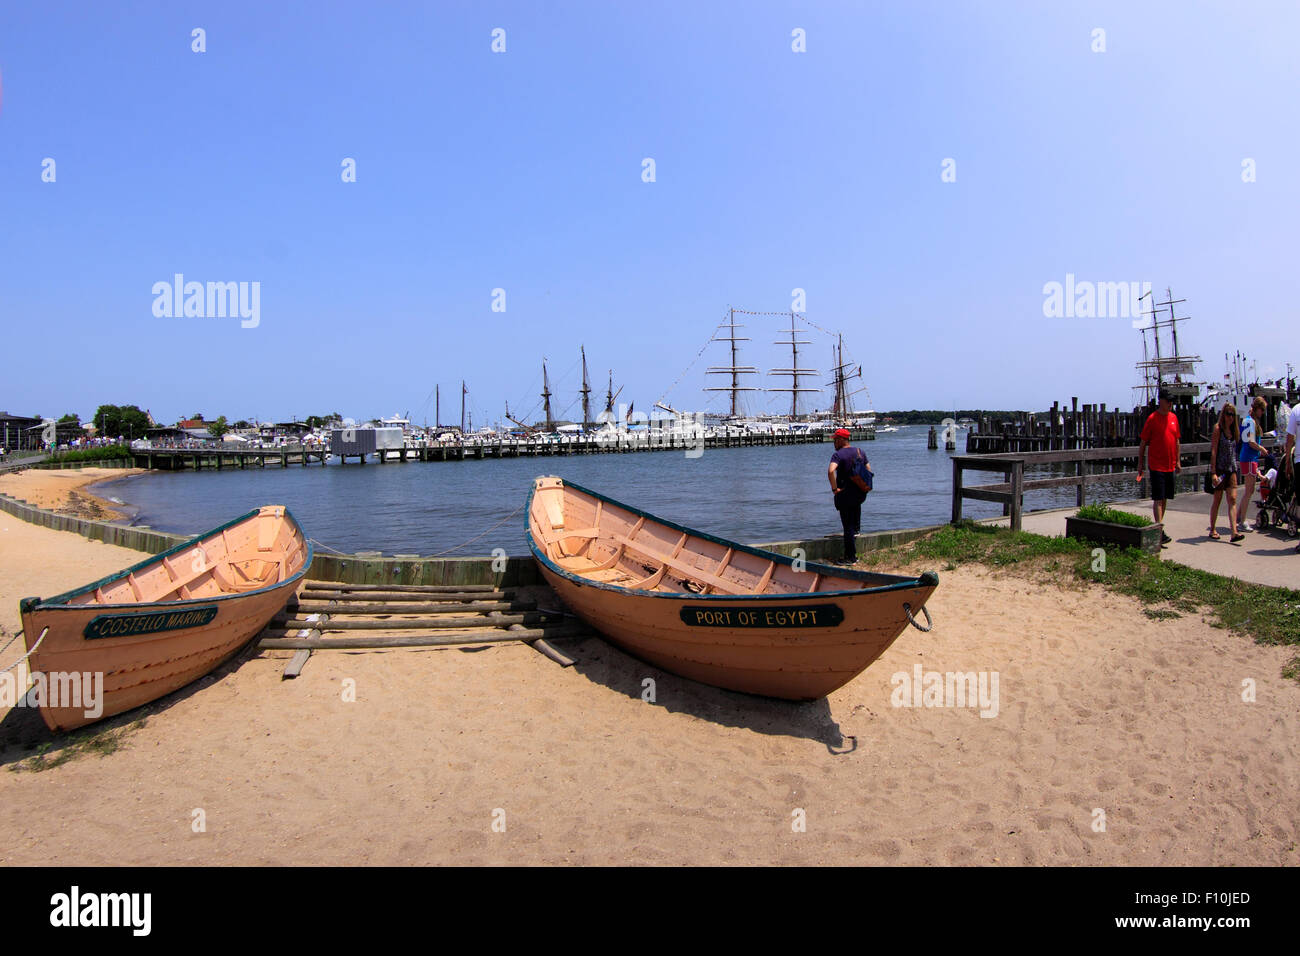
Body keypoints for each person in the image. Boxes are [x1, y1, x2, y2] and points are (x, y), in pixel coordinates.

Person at [1136, 388, 1180, 545]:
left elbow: (1176, 441)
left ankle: (1159, 527)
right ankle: (1159, 530)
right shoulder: (1152, 419)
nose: (1170, 404)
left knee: (1165, 498)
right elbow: (1143, 442)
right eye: (1168, 401)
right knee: (1158, 499)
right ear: (1161, 401)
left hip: (1170, 465)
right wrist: (1140, 464)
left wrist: (1178, 461)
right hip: (1156, 465)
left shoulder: (1174, 418)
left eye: (1172, 401)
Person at [828, 427, 871, 564]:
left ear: (841, 440)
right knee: (855, 514)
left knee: (847, 527)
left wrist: (835, 489)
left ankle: (850, 558)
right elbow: (869, 470)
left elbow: (830, 471)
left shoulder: (838, 455)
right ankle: (857, 531)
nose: (834, 443)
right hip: (860, 493)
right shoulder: (860, 452)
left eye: (835, 440)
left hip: (845, 494)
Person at [1207, 403, 1242, 542]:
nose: (1230, 417)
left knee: (1232, 499)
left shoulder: (1234, 430)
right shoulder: (1218, 429)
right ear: (1223, 414)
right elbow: (1214, 450)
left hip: (1231, 469)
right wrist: (1213, 472)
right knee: (1217, 499)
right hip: (1220, 469)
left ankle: (1234, 532)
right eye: (1228, 414)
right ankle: (1212, 529)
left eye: (1233, 414)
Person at [1236, 396, 1267, 531]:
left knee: (1249, 490)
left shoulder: (1248, 420)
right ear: (1258, 409)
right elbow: (1250, 441)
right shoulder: (1249, 422)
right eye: (1262, 410)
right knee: (1249, 491)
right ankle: (1242, 521)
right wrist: (1261, 449)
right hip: (1249, 458)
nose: (1263, 413)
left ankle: (1238, 516)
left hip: (1249, 458)